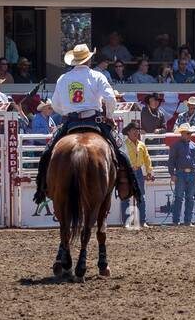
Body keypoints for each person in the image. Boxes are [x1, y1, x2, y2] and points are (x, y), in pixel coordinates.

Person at [33, 44, 140, 208]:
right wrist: (109, 116)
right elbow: (110, 98)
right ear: (89, 59)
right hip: (94, 121)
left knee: (48, 152)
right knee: (121, 151)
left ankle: (42, 188)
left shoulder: (63, 79)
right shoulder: (97, 76)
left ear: (75, 60)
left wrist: (66, 112)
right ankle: (126, 185)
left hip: (70, 123)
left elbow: (55, 105)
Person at [167, 122, 195, 226]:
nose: (189, 135)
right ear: (182, 133)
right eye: (188, 133)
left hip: (191, 173)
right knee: (179, 197)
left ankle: (188, 221)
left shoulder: (194, 146)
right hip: (180, 173)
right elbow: (171, 160)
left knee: (190, 198)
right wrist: (172, 174)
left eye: (190, 133)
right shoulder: (176, 146)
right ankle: (176, 221)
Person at [121, 121, 152, 227]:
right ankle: (126, 222)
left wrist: (149, 171)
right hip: (127, 172)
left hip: (138, 171)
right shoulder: (124, 145)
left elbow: (147, 159)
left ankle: (143, 221)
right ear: (128, 132)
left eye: (137, 130)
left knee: (141, 197)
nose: (136, 132)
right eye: (134, 130)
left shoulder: (141, 145)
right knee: (125, 197)